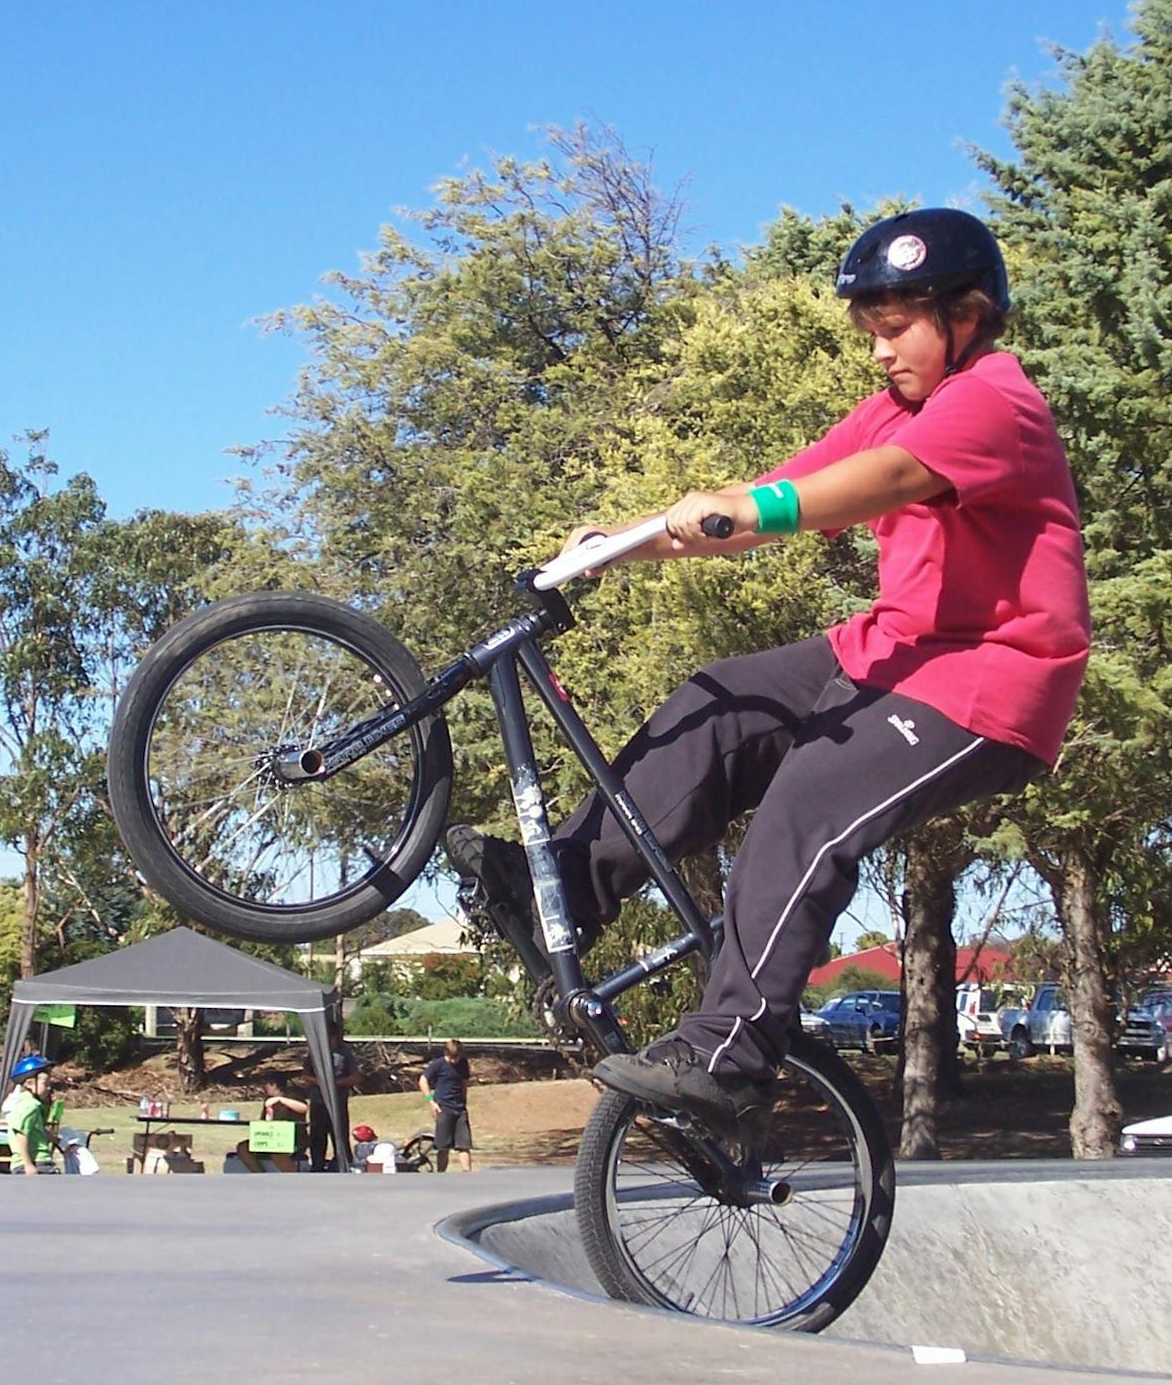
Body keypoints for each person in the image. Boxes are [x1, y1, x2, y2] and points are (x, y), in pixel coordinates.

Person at [448, 209, 1089, 1125]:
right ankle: (567, 883)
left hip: (990, 685)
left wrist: (750, 509)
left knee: (808, 804)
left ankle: (733, 1051)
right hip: (890, 651)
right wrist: (620, 543)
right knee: (721, 701)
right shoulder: (893, 410)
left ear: (968, 315)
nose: (879, 352)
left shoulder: (994, 401)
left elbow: (876, 483)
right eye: (870, 333)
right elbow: (763, 503)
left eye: (895, 329)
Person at [235, 1072, 308, 1172]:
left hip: (292, 1140)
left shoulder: (292, 1096)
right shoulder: (268, 1101)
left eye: (267, 1084)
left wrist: (280, 1099)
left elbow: (304, 1108)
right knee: (243, 1147)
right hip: (270, 1139)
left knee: (277, 1153)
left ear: (274, 1085)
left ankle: (293, 1176)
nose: (265, 1087)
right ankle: (259, 1174)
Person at [306, 1023, 354, 1173]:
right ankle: (317, 1165)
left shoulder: (345, 1053)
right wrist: (321, 1082)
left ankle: (342, 1163)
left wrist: (336, 1083)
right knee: (317, 1135)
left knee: (339, 1134)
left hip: (337, 1101)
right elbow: (306, 1075)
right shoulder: (315, 1052)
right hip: (318, 1101)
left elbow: (356, 1076)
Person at [419, 1039, 472, 1173]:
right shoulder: (438, 1065)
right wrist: (431, 1101)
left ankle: (467, 1173)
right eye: (450, 1057)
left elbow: (464, 1083)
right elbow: (423, 1080)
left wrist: (464, 1101)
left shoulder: (463, 1064)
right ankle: (441, 1174)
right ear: (445, 1053)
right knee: (443, 1146)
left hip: (459, 1108)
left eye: (456, 1057)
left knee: (464, 1145)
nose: (453, 1061)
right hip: (443, 1107)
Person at [0, 1054, 57, 1175]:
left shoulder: (30, 1103)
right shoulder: (29, 1105)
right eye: (45, 1084)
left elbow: (37, 1130)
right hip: (34, 1162)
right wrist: (28, 1164)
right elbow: (21, 1134)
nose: (49, 1088)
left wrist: (57, 1141)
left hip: (36, 1161)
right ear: (30, 1083)